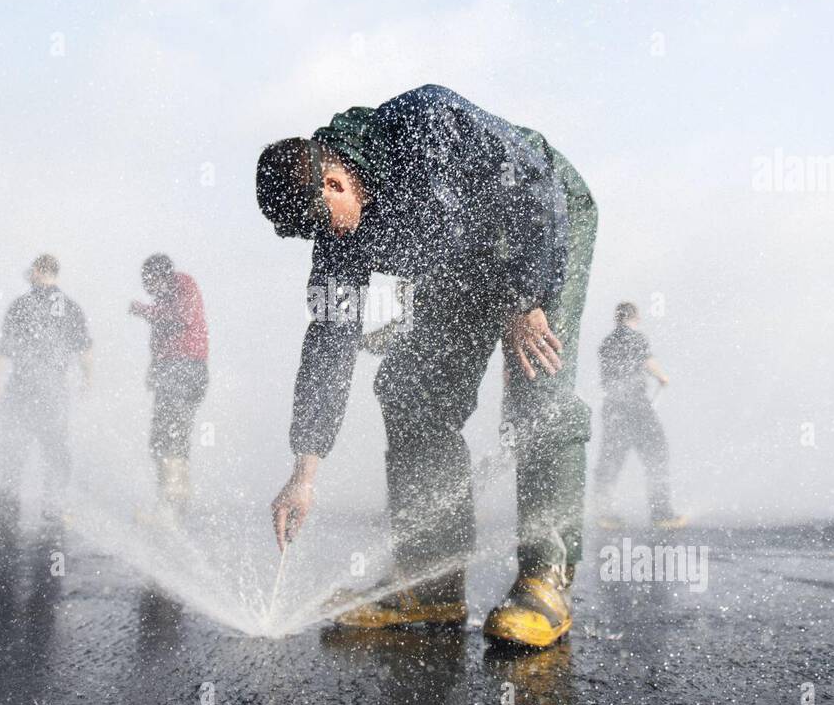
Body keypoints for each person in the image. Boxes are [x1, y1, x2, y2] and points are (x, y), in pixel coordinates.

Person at [256, 84, 597, 649]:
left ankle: (547, 576)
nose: (330, 237)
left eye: (325, 220)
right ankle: (432, 583)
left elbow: (533, 183)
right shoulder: (337, 234)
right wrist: (304, 473)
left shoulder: (425, 120)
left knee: (538, 384)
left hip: (538, 225)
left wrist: (524, 297)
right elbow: (329, 341)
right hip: (463, 256)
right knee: (413, 393)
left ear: (336, 181)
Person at [0, 254, 92, 521]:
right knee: (55, 446)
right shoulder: (71, 307)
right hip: (53, 389)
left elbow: (5, 347)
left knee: (13, 444)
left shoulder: (22, 305)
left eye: (31, 271)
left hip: (22, 385)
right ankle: (52, 504)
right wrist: (87, 379)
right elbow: (84, 350)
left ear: (37, 271)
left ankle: (9, 502)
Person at [129, 253, 209, 521]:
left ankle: (167, 507)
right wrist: (153, 369)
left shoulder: (182, 283)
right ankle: (179, 503)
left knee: (166, 437)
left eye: (146, 280)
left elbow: (182, 318)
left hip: (184, 370)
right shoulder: (166, 297)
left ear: (157, 275)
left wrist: (144, 310)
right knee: (173, 437)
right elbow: (162, 338)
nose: (145, 286)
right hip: (179, 370)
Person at [591, 302, 684, 529]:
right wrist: (662, 377)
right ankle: (662, 514)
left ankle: (605, 514)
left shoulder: (606, 343)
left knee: (611, 458)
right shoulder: (636, 338)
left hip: (613, 407)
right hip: (636, 406)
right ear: (636, 318)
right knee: (656, 454)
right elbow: (646, 361)